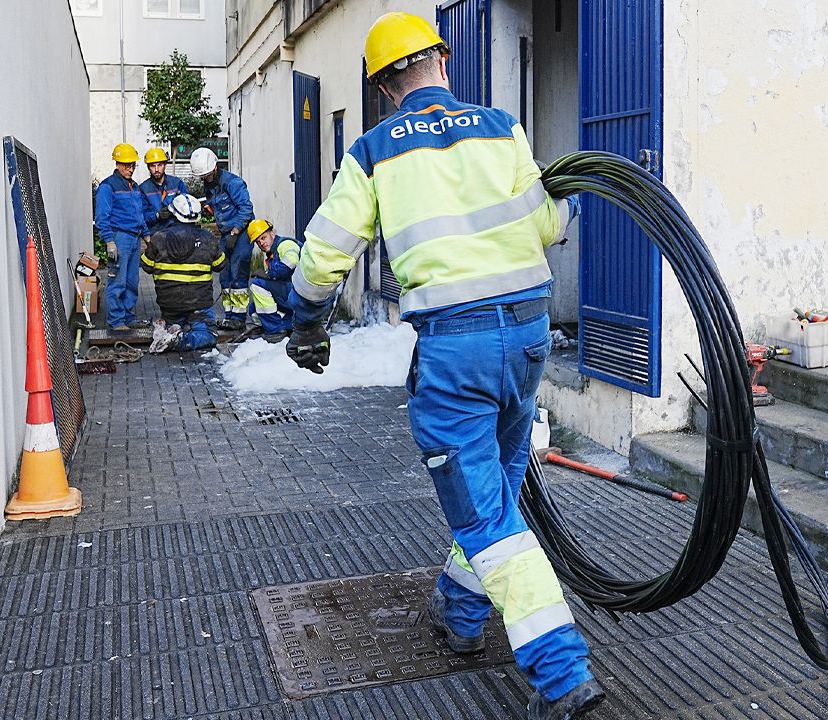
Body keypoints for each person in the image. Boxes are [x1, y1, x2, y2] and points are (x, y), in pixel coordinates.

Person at [284, 12, 598, 720]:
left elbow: (327, 254)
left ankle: (561, 671)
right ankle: (459, 611)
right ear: (442, 64)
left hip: (456, 351)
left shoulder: (374, 150)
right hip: (527, 336)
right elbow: (548, 225)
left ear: (383, 87)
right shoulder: (500, 127)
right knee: (499, 482)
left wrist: (305, 324)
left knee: (487, 515)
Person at [140, 194, 226, 352]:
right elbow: (220, 265)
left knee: (177, 323)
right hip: (199, 304)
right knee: (209, 334)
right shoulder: (208, 238)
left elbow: (146, 266)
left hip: (169, 305)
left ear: (173, 213)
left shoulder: (158, 238)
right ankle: (179, 340)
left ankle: (168, 328)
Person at [189, 147, 254, 331]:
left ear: (215, 167)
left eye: (208, 175)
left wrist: (235, 232)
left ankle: (239, 317)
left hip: (240, 233)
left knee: (238, 273)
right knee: (225, 275)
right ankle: (229, 314)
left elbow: (246, 209)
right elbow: (215, 204)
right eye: (203, 176)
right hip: (227, 233)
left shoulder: (233, 183)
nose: (206, 179)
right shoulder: (209, 184)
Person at [95, 143, 151, 331]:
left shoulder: (133, 187)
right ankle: (116, 321)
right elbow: (102, 217)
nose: (130, 168)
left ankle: (128, 318)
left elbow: (139, 214)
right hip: (119, 238)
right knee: (117, 281)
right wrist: (109, 241)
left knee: (132, 282)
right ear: (117, 164)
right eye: (127, 165)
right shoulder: (107, 186)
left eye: (133, 165)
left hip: (134, 238)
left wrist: (147, 237)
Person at [238, 218, 300, 344]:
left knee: (257, 286)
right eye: (258, 241)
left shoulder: (285, 244)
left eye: (263, 237)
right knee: (254, 309)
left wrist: (267, 274)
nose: (261, 243)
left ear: (272, 233)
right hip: (292, 294)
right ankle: (289, 324)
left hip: (300, 294)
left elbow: (290, 263)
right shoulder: (271, 255)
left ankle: (276, 331)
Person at [139, 147, 187, 235]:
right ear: (148, 167)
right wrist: (157, 215)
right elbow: (141, 217)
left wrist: (175, 211)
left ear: (165, 165)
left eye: (159, 165)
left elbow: (186, 206)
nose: (156, 169)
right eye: (153, 166)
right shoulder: (143, 189)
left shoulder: (177, 183)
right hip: (156, 235)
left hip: (178, 232)